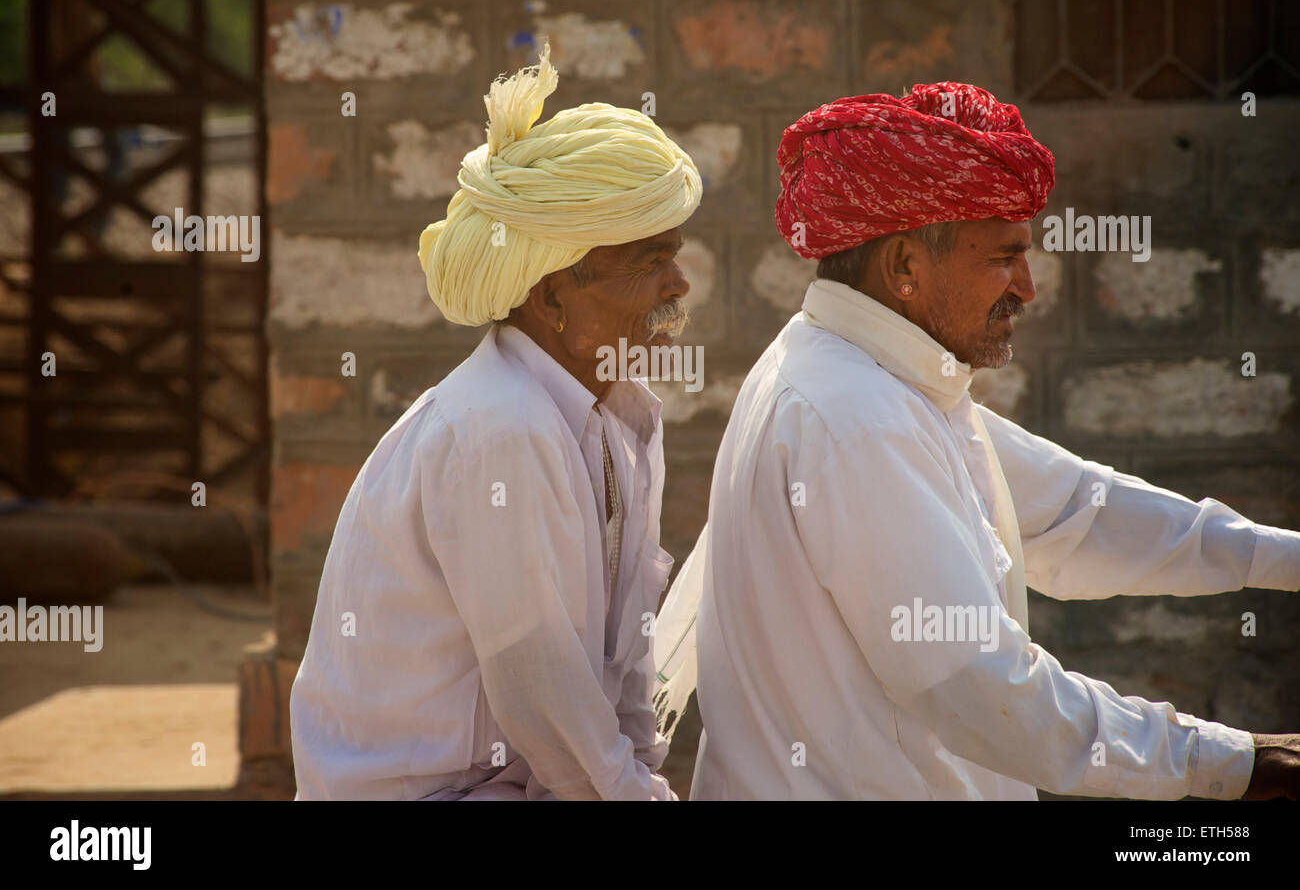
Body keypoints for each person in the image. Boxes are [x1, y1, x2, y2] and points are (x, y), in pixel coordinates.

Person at [652, 82, 1300, 800]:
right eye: (1003, 257)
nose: (1027, 287)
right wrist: (1233, 761)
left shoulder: (879, 379)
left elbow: (1075, 513)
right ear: (903, 268)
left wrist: (1286, 560)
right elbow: (977, 685)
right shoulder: (857, 417)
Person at [290, 44, 701, 800]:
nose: (679, 283)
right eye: (652, 260)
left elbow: (627, 656)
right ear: (551, 298)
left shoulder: (625, 416)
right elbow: (541, 689)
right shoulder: (500, 429)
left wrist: (642, 776)